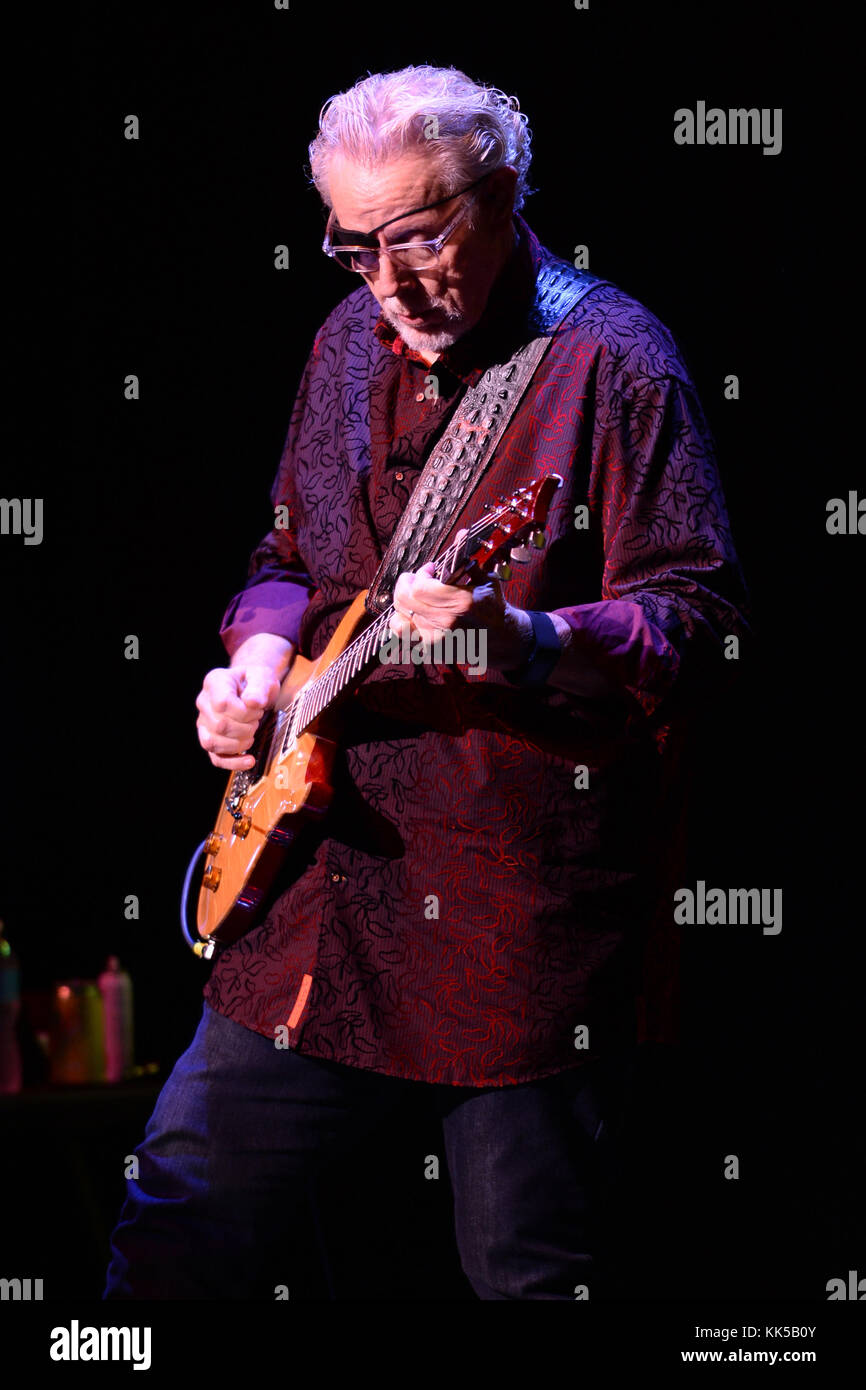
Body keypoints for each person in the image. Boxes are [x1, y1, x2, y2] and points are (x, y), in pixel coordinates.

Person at [104, 64, 749, 1301]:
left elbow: (702, 624)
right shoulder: (348, 335)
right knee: (172, 1233)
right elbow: (286, 554)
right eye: (356, 248)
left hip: (515, 920)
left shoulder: (614, 363)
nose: (392, 286)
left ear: (505, 195)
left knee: (527, 1279)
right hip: (316, 894)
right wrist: (251, 666)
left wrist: (530, 640)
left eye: (420, 236)